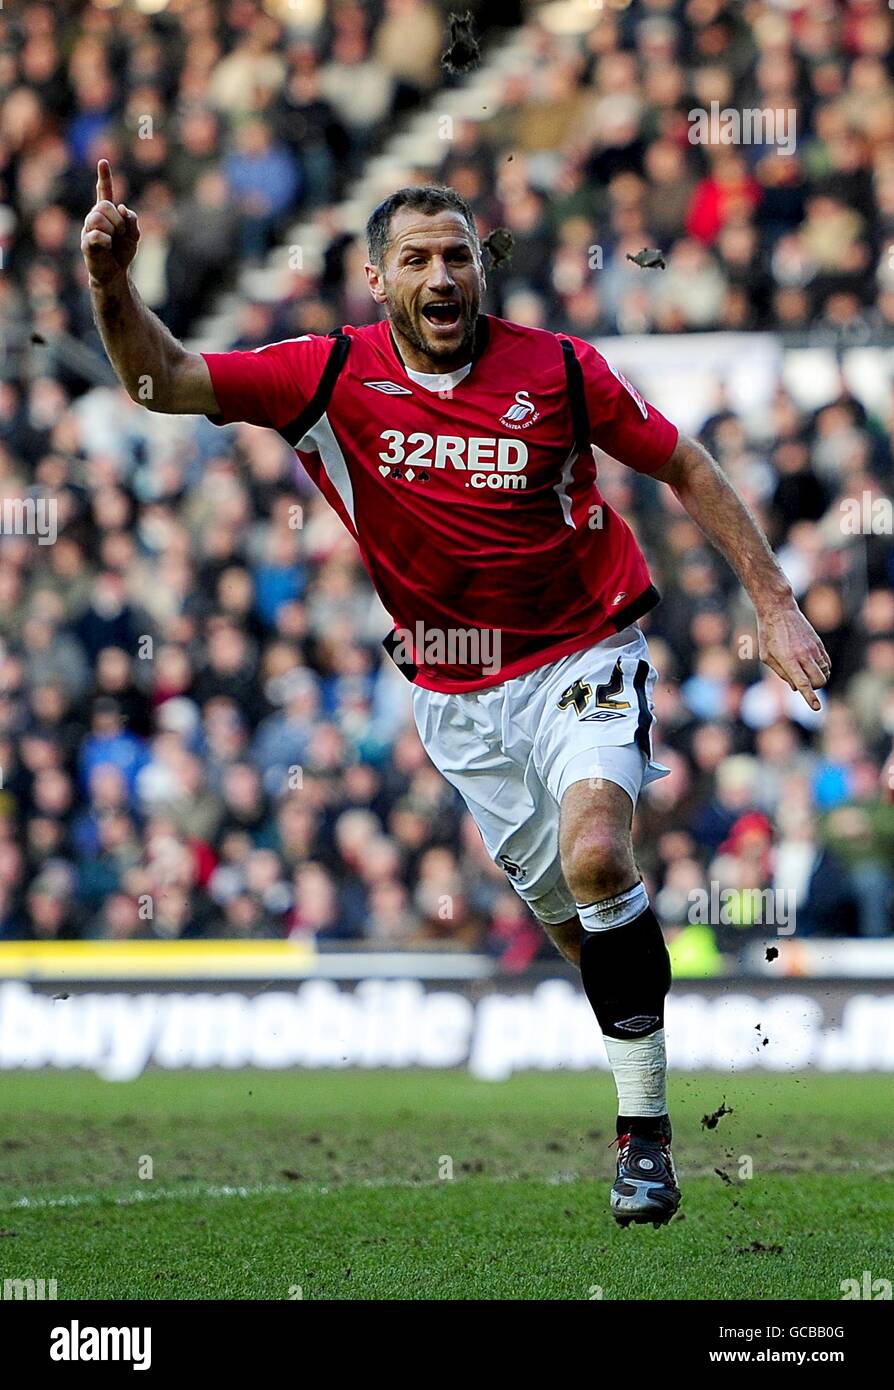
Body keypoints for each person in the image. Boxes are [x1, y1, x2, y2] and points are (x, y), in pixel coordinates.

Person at [82, 161, 831, 1227]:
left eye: (459, 256)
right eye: (417, 259)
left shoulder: (562, 371)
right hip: (456, 697)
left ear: (483, 268)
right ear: (379, 280)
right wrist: (112, 284)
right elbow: (160, 381)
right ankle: (640, 1035)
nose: (443, 275)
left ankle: (645, 1140)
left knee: (598, 856)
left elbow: (689, 468)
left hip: (584, 651)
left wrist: (775, 601)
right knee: (582, 929)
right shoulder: (326, 376)